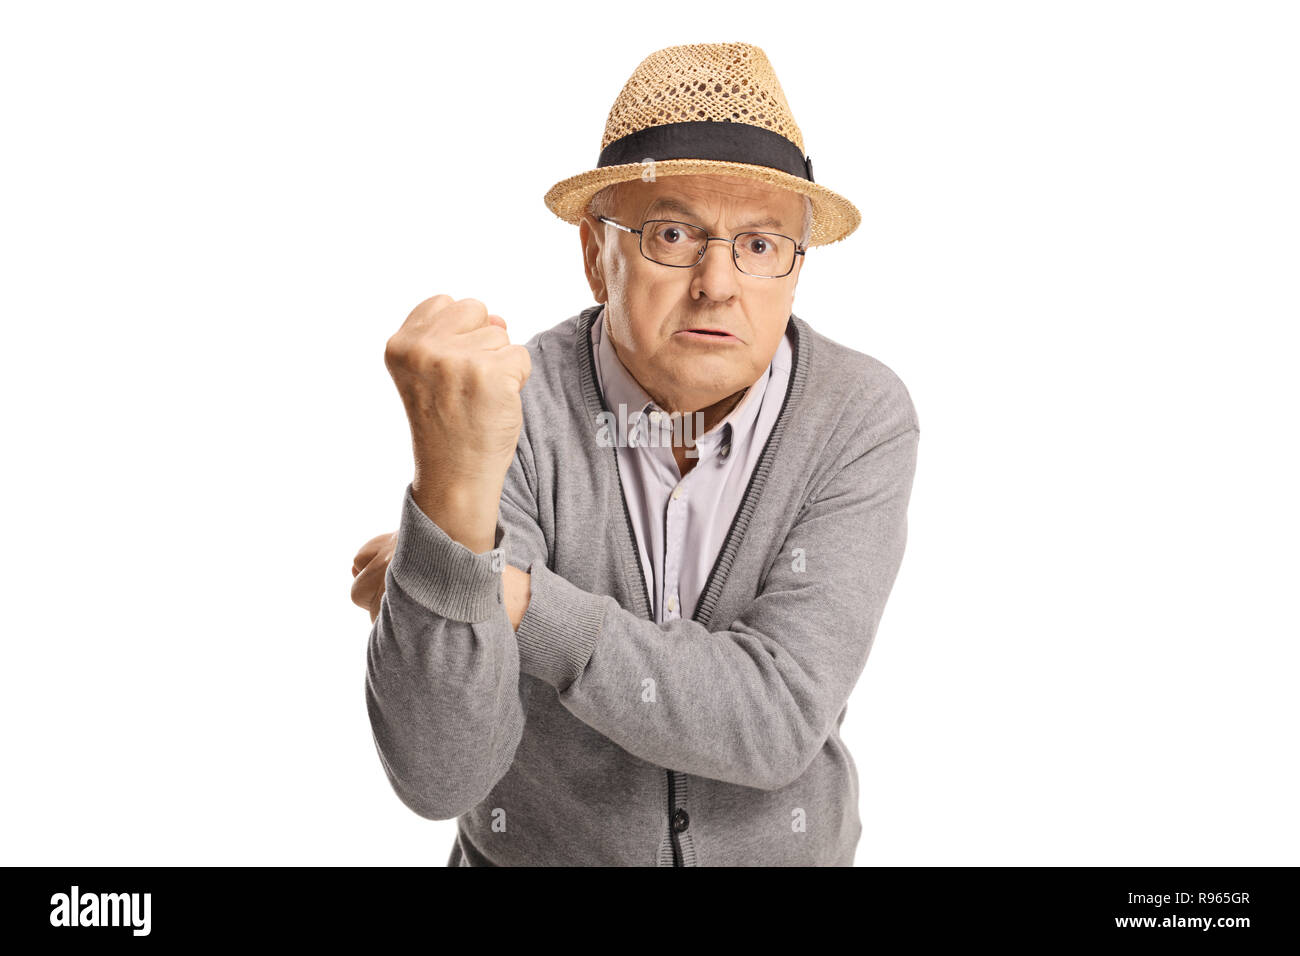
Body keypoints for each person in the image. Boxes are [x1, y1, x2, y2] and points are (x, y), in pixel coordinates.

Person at [350, 41, 920, 866]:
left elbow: (775, 719)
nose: (718, 283)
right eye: (674, 232)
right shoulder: (510, 404)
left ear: (796, 270)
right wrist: (450, 490)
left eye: (760, 245)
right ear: (595, 254)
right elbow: (442, 778)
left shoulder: (858, 416)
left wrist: (505, 596)